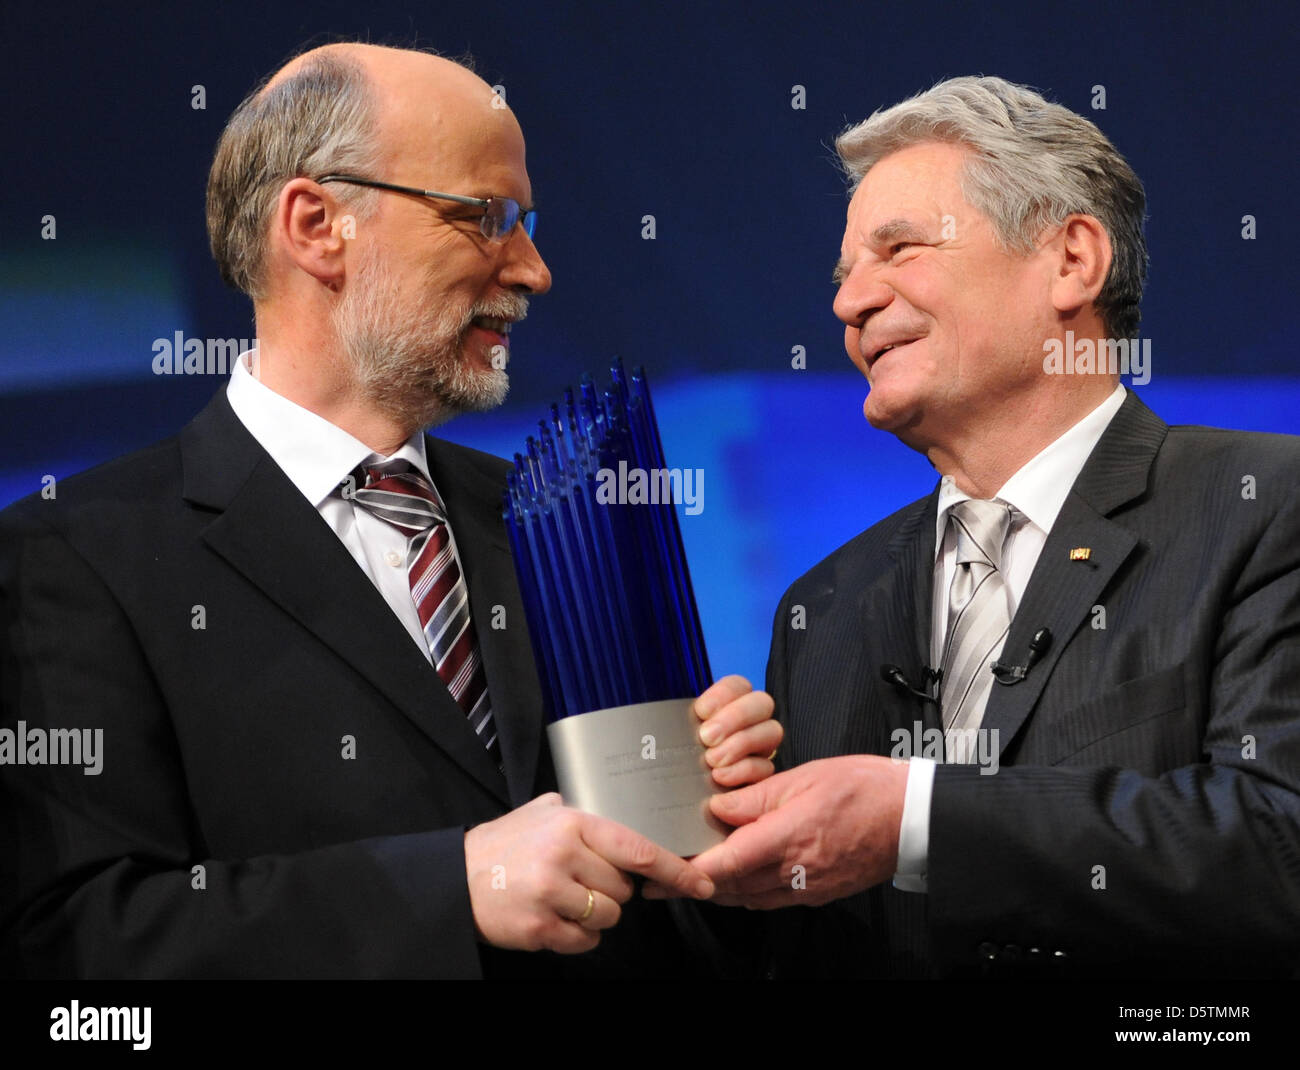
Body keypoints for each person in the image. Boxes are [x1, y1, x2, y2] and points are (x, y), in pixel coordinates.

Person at [0, 43, 781, 979]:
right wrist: (450, 892)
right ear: (318, 224)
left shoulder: (554, 518)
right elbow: (76, 952)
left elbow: (675, 927)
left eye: (525, 223)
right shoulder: (75, 557)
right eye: (488, 218)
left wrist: (721, 839)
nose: (533, 271)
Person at [676, 76, 1300, 978]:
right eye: (846, 277)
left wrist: (916, 818)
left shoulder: (1263, 507)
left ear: (1072, 262)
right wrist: (718, 831)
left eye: (899, 250)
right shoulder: (824, 607)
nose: (851, 307)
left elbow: (1279, 843)